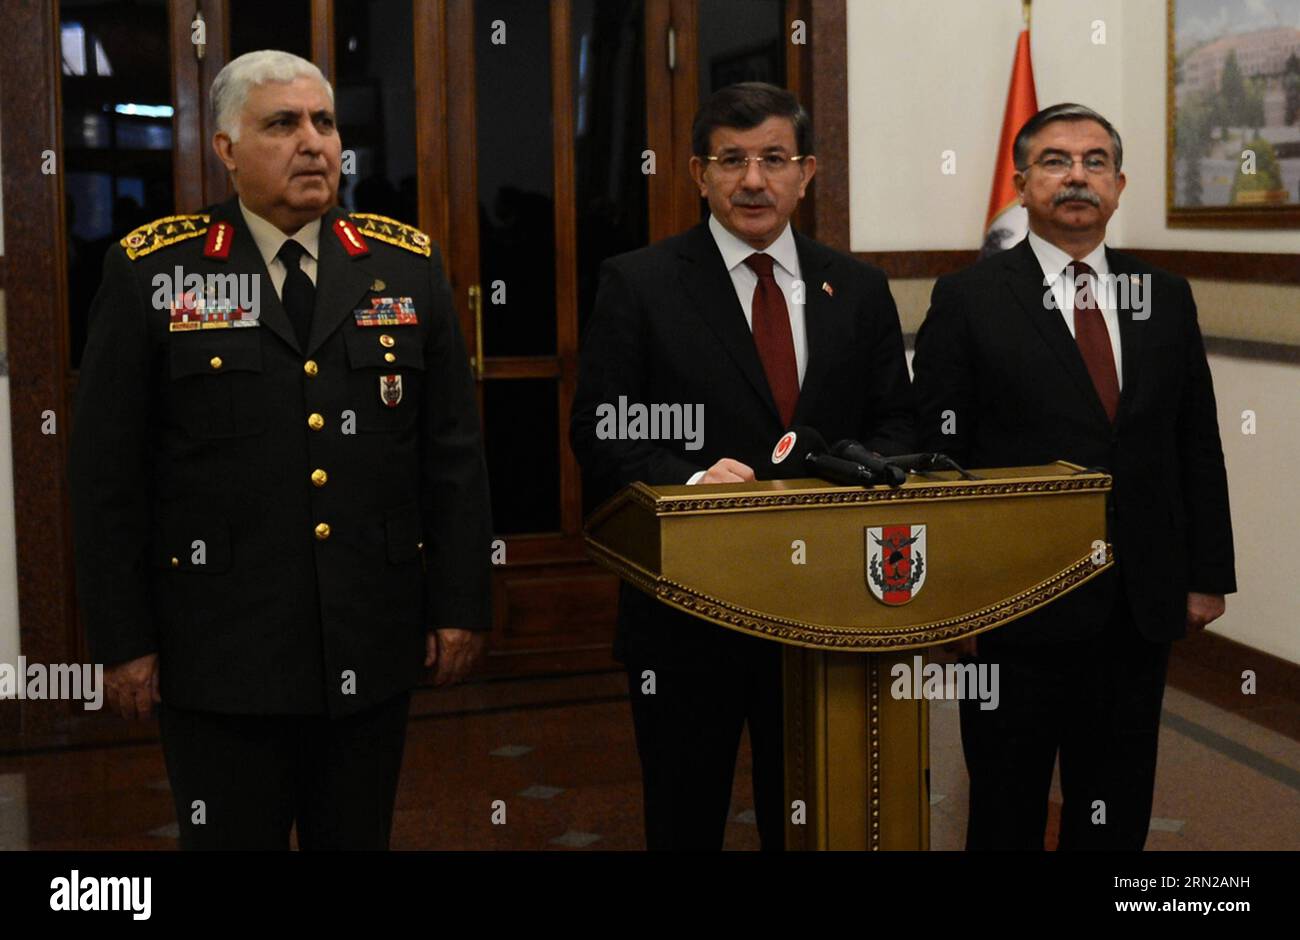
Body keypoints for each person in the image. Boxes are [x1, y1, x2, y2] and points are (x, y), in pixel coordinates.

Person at [69, 50, 493, 850]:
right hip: (220, 652)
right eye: (282, 123)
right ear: (225, 148)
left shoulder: (404, 265)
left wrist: (460, 605)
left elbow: (452, 458)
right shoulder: (155, 271)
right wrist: (123, 641)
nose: (313, 143)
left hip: (369, 635)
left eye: (324, 122)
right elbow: (105, 477)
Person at [570, 82, 913, 850]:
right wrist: (690, 482)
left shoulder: (857, 289)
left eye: (772, 159)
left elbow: (897, 421)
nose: (752, 180)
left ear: (808, 171)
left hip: (832, 605)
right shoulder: (641, 283)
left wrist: (857, 471)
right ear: (698, 174)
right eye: (731, 159)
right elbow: (602, 429)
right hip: (690, 610)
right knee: (686, 817)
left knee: (813, 813)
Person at [912, 103, 1237, 850]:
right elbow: (939, 456)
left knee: (1117, 802)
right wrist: (953, 600)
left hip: (1138, 600)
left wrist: (1206, 572)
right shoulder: (968, 300)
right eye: (1056, 161)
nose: (1077, 177)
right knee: (1004, 803)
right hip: (1013, 605)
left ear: (1119, 186)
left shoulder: (1166, 295)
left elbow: (1196, 442)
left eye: (1095, 162)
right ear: (1023, 184)